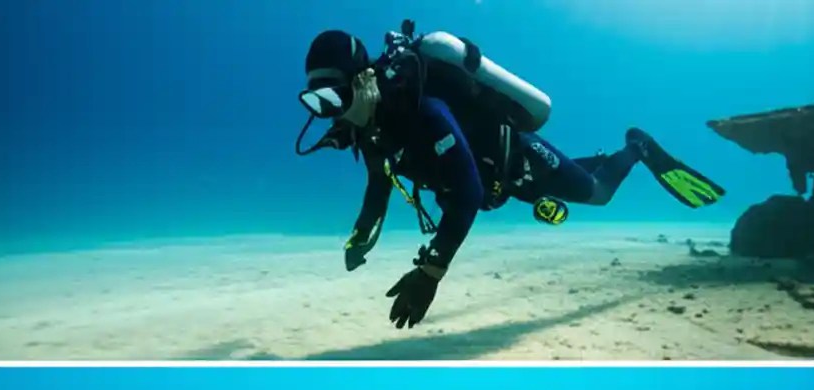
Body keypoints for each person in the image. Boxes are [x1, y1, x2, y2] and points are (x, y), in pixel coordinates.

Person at [296, 24, 727, 329]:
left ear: (365, 78)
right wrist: (360, 238)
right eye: (318, 102)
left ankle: (636, 148)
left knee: (597, 195)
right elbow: (378, 186)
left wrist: (429, 274)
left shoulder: (426, 112)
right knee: (561, 182)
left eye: (336, 96)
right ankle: (590, 159)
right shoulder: (373, 132)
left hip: (518, 159)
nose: (334, 112)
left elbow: (467, 193)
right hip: (500, 182)